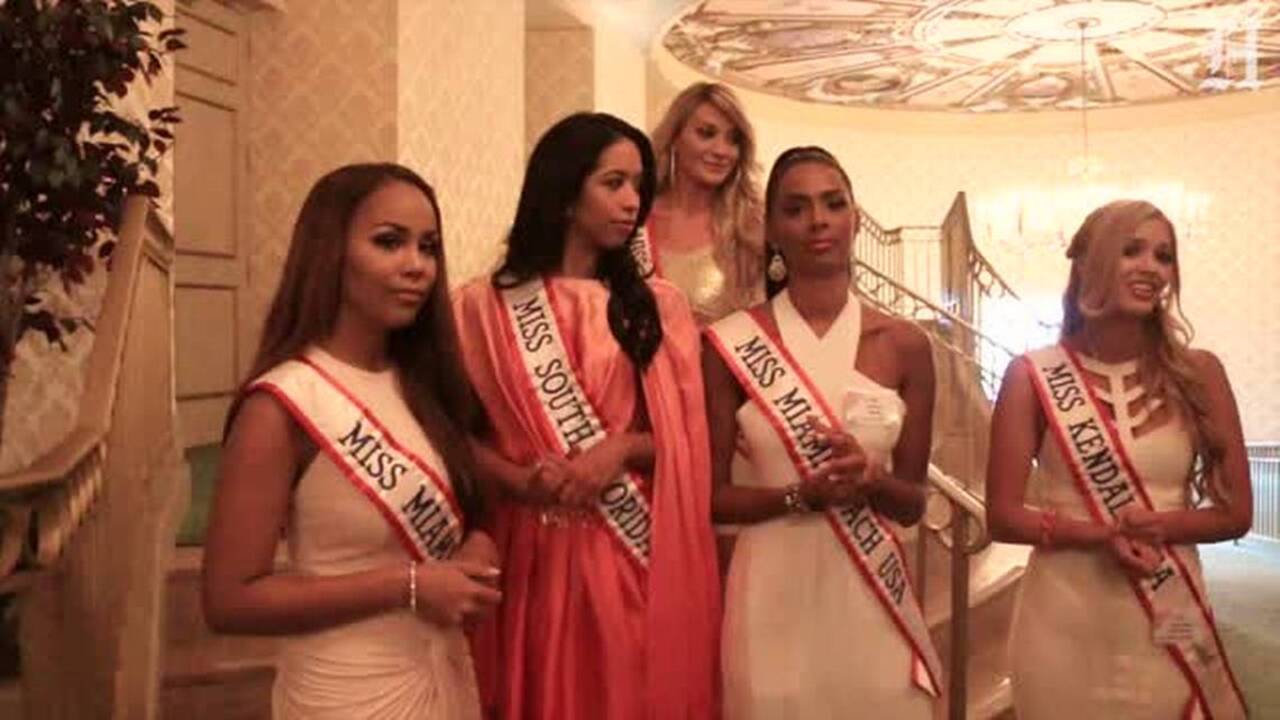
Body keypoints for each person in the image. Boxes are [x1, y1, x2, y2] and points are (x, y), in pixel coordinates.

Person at [201, 163, 500, 719]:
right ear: (330, 251)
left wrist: (476, 550)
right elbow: (229, 599)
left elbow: (473, 513)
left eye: (428, 247)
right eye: (389, 242)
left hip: (444, 675)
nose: (417, 266)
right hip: (346, 692)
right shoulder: (282, 403)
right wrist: (408, 585)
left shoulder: (424, 384)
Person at [454, 112, 720, 720]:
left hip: (628, 552)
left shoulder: (658, 306)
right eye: (613, 183)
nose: (633, 202)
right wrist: (517, 479)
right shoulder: (478, 307)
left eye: (638, 186)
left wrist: (619, 451)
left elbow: (687, 442)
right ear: (565, 189)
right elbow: (454, 435)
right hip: (525, 551)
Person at [987, 199, 1251, 719]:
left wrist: (1159, 525)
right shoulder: (1031, 375)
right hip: (1062, 616)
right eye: (1132, 250)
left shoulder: (1200, 373)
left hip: (1167, 605)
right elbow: (1002, 516)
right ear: (1087, 263)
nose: (1152, 267)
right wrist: (1102, 536)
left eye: (1164, 255)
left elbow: (1236, 513)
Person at [703, 146, 942, 719]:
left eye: (834, 204)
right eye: (797, 208)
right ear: (773, 230)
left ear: (855, 218)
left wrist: (871, 482)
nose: (818, 221)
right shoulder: (729, 344)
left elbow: (911, 504)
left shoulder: (906, 345)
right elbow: (712, 498)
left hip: (870, 596)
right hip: (771, 592)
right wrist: (798, 496)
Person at [633, 81, 764, 325]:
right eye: (706, 133)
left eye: (733, 139)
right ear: (674, 138)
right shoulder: (634, 219)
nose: (722, 151)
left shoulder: (750, 226)